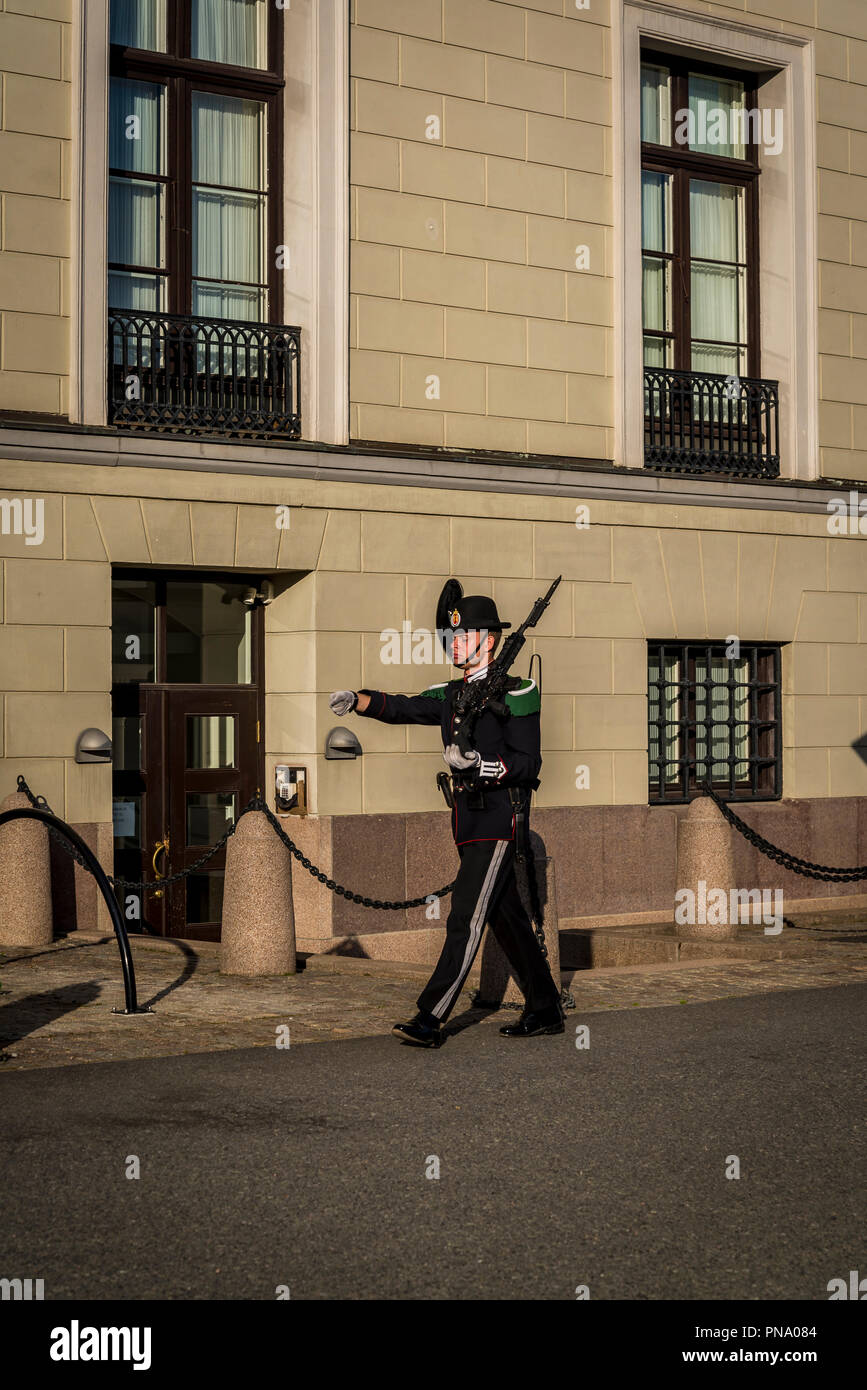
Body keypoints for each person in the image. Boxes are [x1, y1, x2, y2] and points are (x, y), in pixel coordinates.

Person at [328, 588, 564, 1048]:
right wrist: (359, 699)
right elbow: (404, 706)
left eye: (464, 634)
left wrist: (482, 764)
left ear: (490, 639)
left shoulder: (519, 692)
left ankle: (429, 1018)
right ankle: (545, 1007)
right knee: (506, 918)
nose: (454, 642)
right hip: (467, 820)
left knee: (465, 918)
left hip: (499, 820)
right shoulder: (453, 693)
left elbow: (529, 763)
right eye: (450, 635)